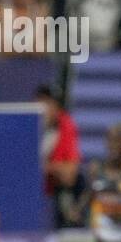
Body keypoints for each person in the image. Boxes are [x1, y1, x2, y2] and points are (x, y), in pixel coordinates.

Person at [36, 85, 84, 230]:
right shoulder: (25, 126)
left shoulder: (66, 125)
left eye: (49, 104)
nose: (44, 109)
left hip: (51, 194)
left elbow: (69, 174)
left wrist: (44, 168)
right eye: (41, 103)